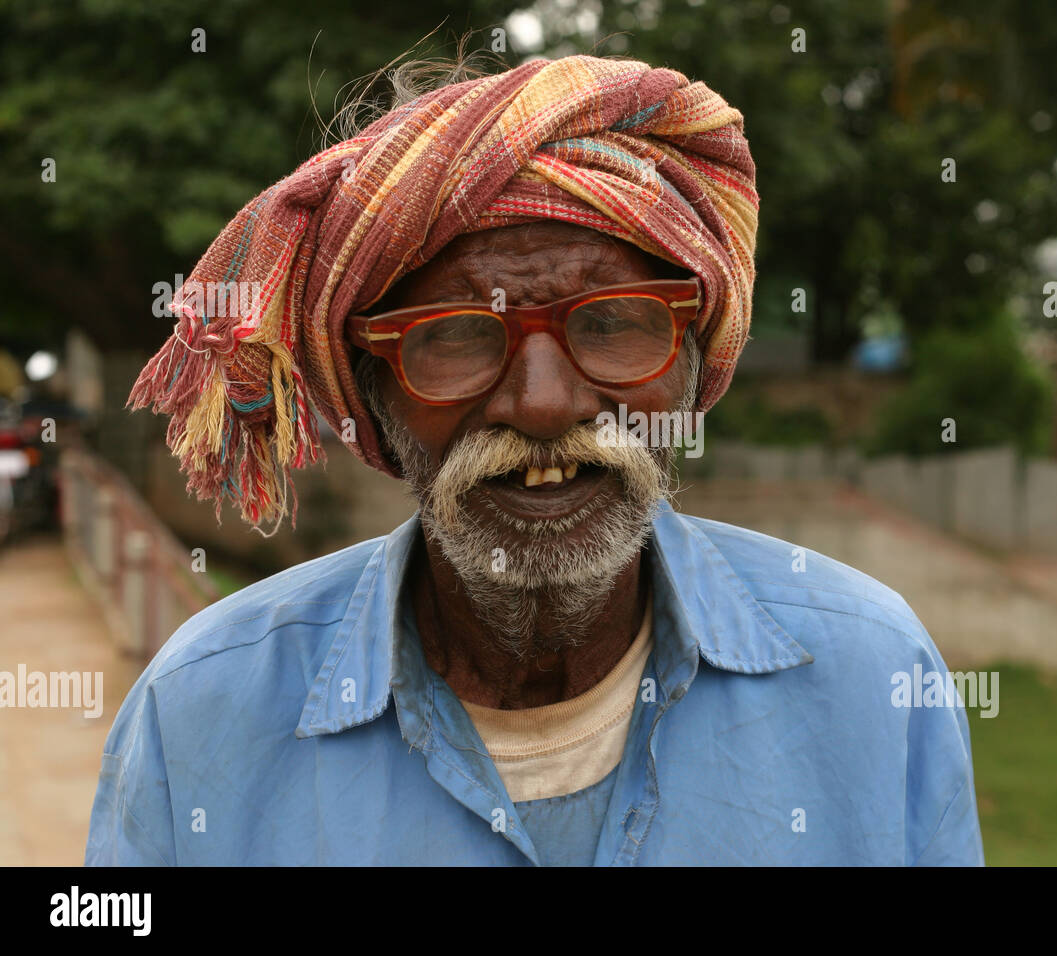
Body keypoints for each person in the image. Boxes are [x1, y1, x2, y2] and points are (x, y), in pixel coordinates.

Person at [86, 53, 983, 866]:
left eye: (612, 323)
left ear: (693, 362)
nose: (545, 402)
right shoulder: (201, 712)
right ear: (375, 395)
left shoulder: (873, 674)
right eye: (457, 339)